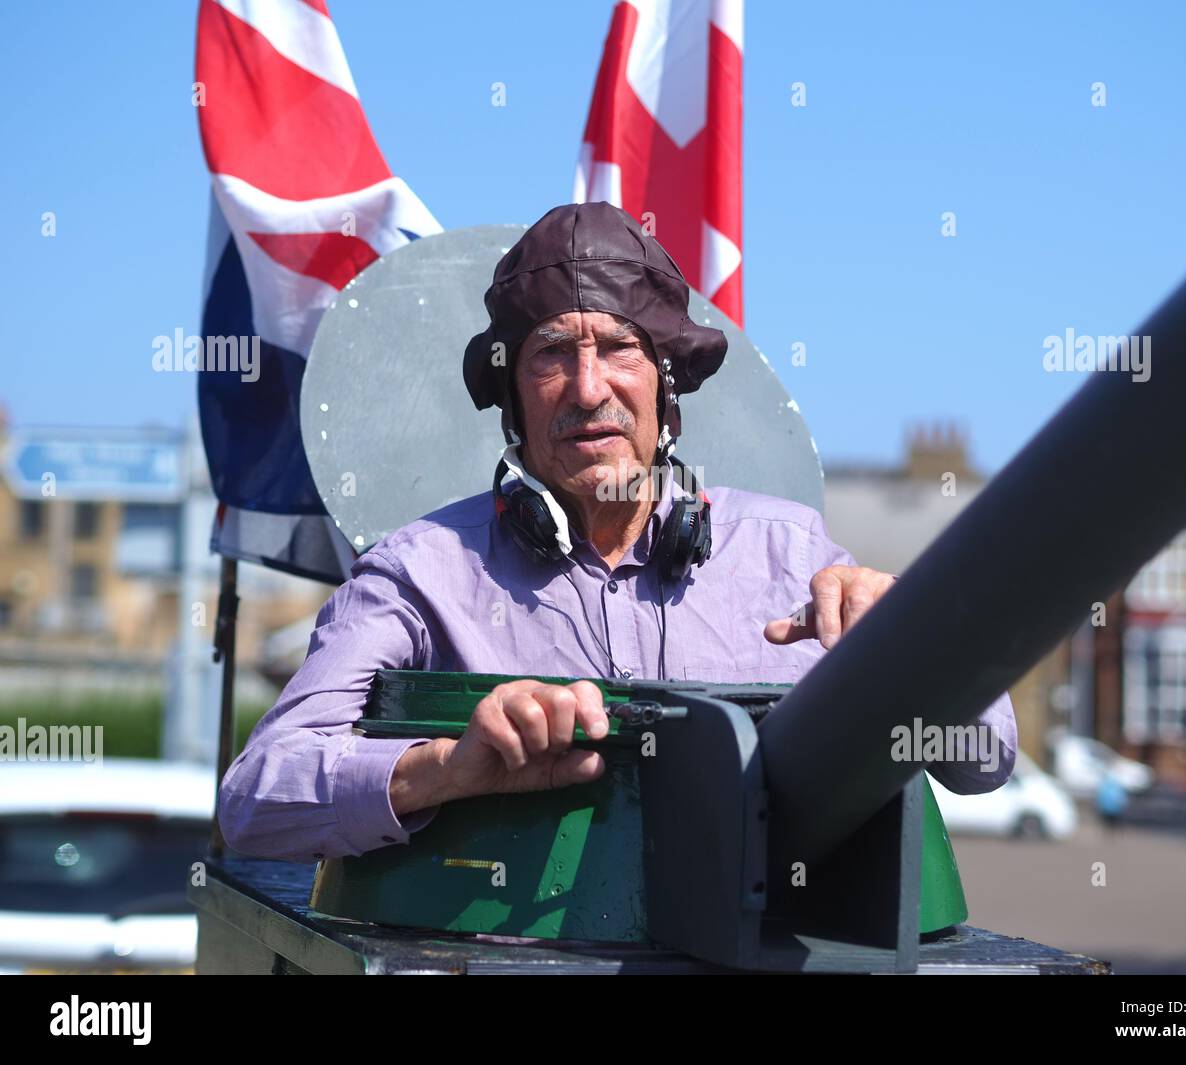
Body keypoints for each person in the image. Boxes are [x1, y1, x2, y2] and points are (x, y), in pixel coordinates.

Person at [218, 201, 1018, 864]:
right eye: (551, 354)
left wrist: (915, 644)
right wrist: (444, 769)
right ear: (512, 398)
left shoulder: (789, 550)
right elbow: (255, 799)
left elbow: (985, 758)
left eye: (619, 348)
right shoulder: (418, 572)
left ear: (667, 387)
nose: (588, 386)